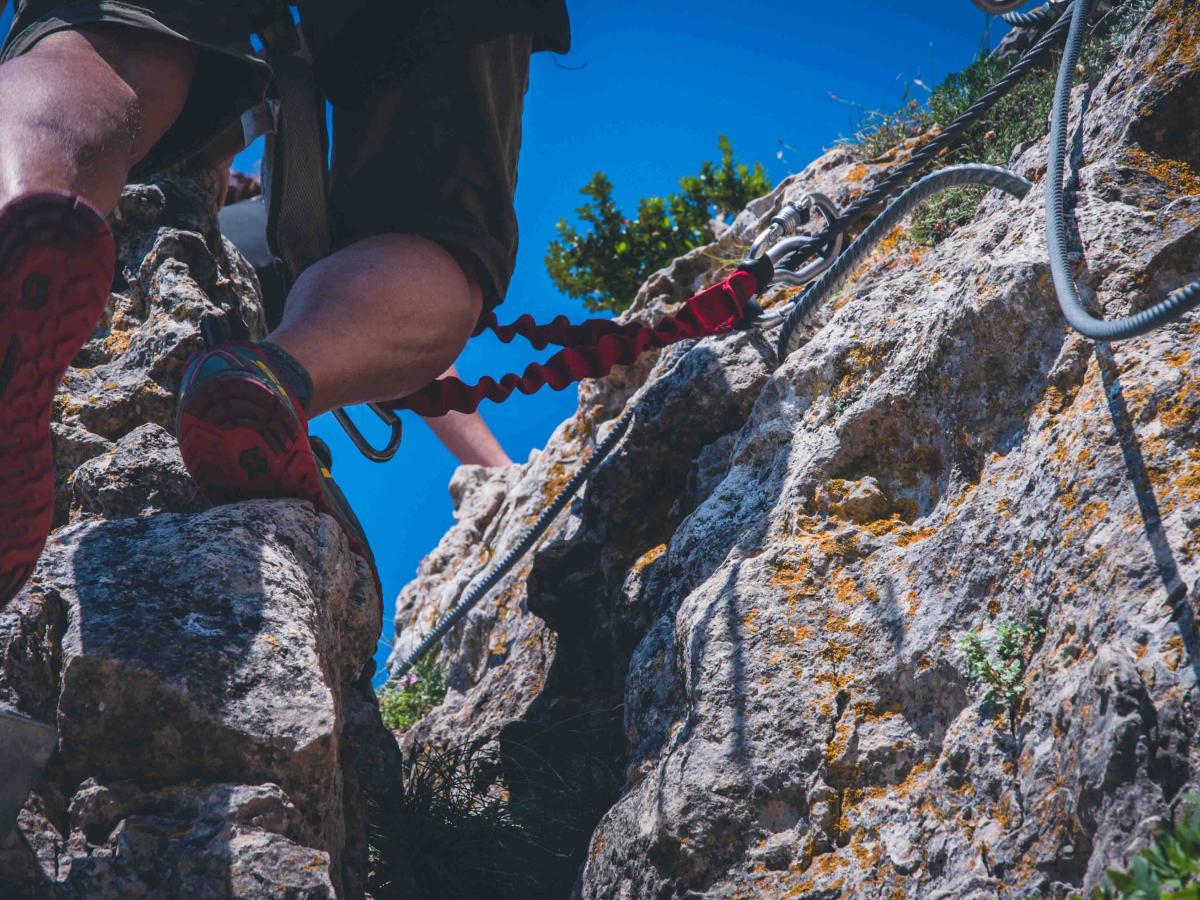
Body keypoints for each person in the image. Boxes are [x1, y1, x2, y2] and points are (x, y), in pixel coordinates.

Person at [0, 0, 568, 605]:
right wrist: (498, 470)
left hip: (176, 255)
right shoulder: (251, 226)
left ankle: (24, 195)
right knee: (430, 234)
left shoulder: (215, 211)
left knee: (113, 43)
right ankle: (273, 372)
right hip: (303, 299)